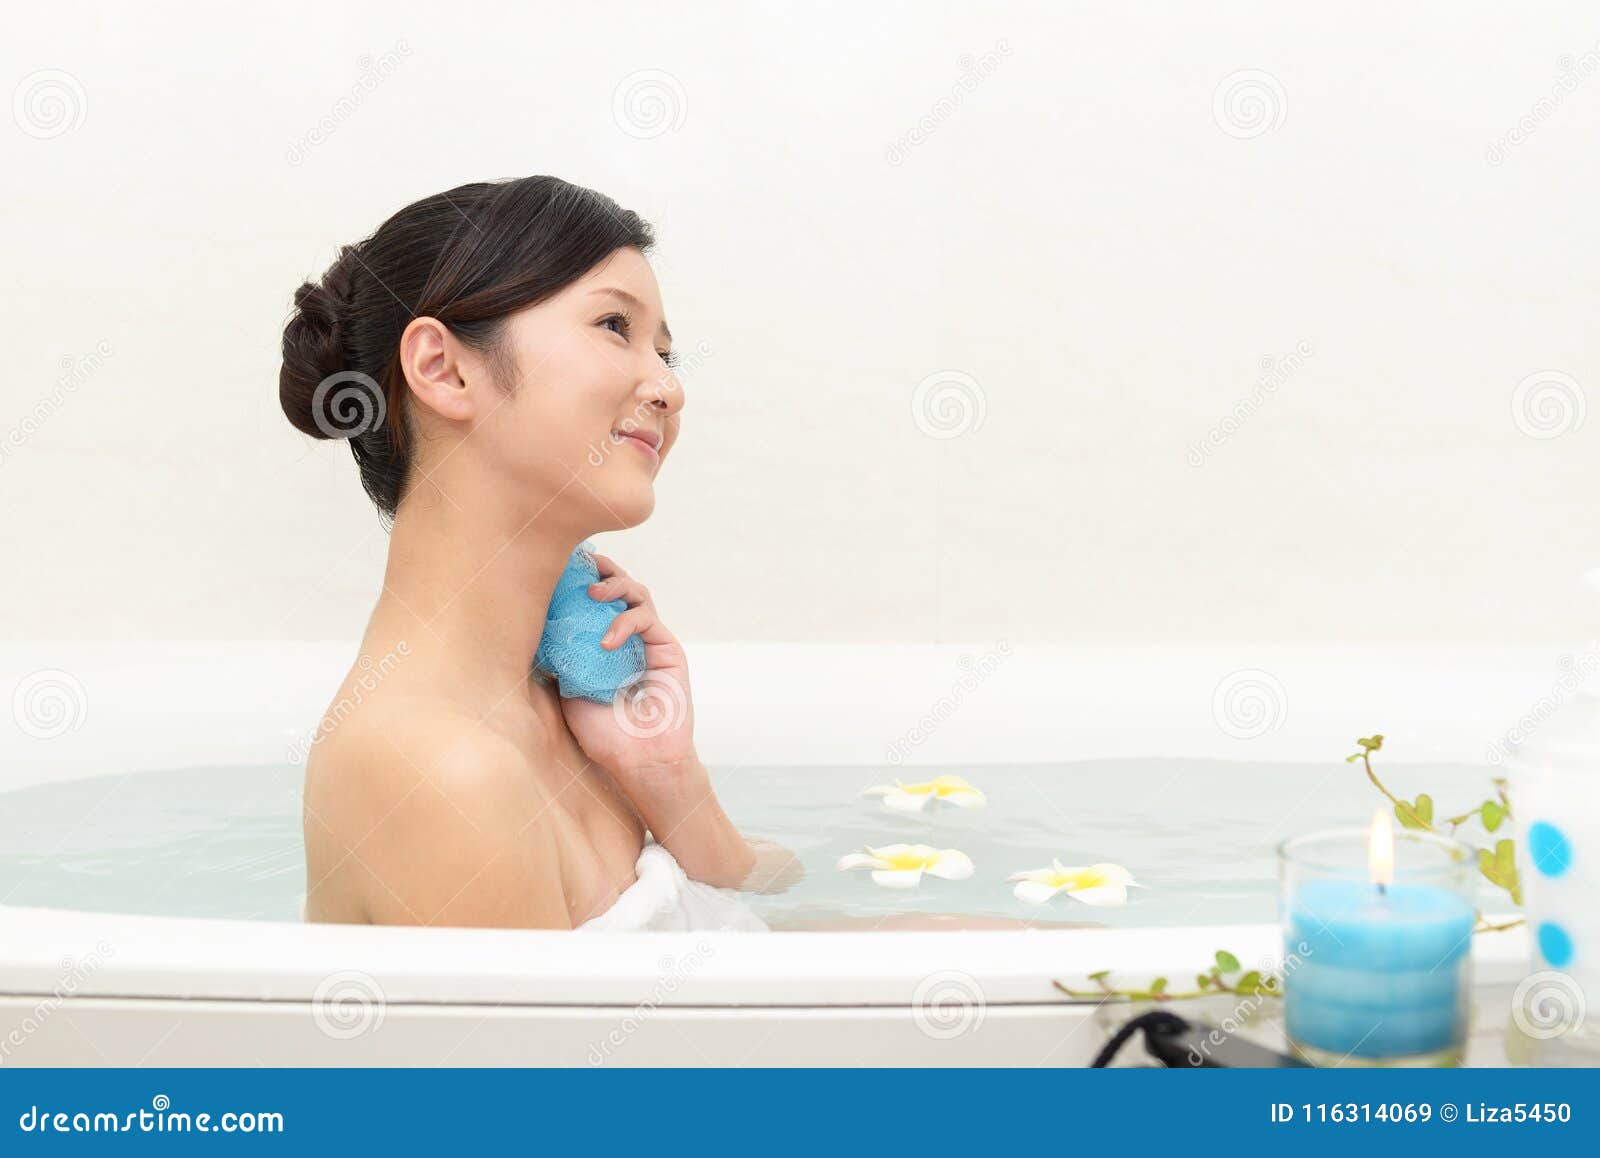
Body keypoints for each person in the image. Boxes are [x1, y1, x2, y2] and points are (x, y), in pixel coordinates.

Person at [280, 176, 793, 930]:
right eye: (615, 325)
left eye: (667, 354)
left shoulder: (563, 715)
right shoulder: (438, 770)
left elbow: (774, 891)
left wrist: (667, 778)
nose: (668, 389)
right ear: (443, 369)